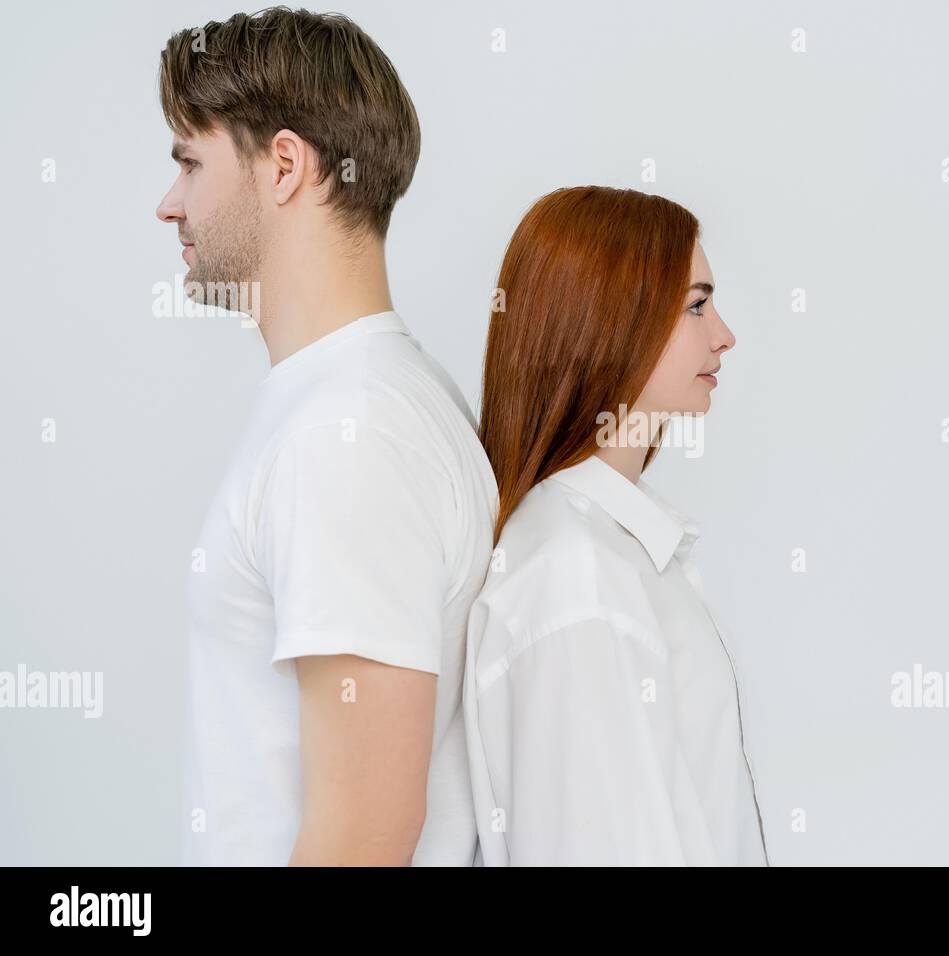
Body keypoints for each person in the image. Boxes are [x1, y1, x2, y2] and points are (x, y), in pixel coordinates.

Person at [156, 8, 496, 865]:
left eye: (190, 164)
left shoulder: (347, 436)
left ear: (283, 165)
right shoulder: (365, 401)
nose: (169, 206)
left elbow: (364, 837)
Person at [464, 186, 769, 865]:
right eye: (696, 304)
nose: (724, 334)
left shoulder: (602, 551)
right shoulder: (578, 578)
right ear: (609, 318)